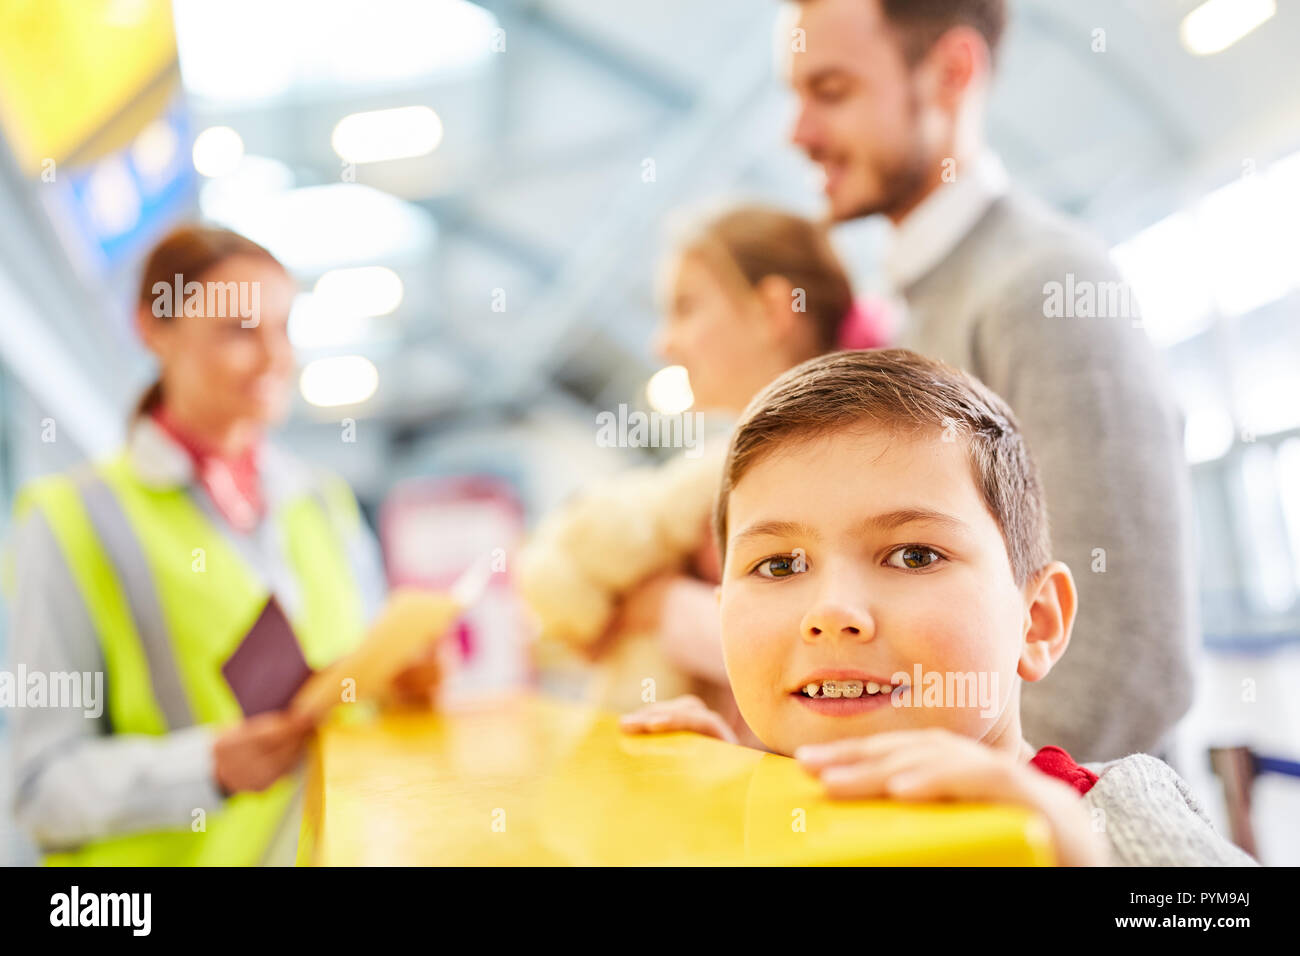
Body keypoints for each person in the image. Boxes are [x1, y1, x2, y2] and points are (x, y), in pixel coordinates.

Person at [622, 349, 1255, 867]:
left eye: (913, 556)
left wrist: (1075, 854)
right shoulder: (752, 811)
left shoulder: (1112, 808)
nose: (834, 611)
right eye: (780, 565)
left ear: (1036, 622)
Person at [782, 0, 1195, 762]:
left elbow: (1128, 665)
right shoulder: (927, 305)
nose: (796, 131)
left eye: (831, 90)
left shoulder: (1042, 285)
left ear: (950, 72)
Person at [5, 226, 443, 865]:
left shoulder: (321, 503)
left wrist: (399, 685)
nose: (273, 357)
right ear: (153, 331)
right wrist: (204, 767)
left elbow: (357, 697)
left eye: (283, 328)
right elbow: (38, 788)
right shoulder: (68, 520)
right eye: (239, 330)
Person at [518, 206, 884, 719]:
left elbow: (822, 657)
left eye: (687, 307)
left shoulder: (843, 463)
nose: (662, 342)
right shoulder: (726, 471)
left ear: (773, 310)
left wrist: (660, 607)